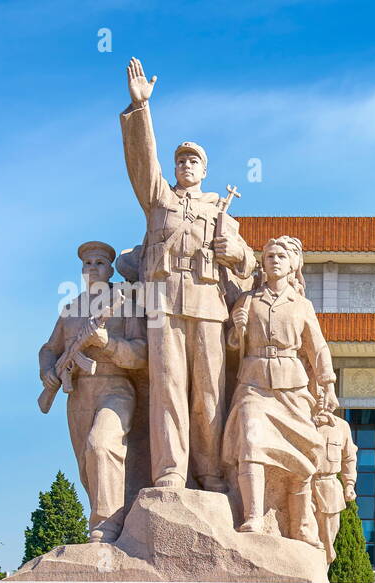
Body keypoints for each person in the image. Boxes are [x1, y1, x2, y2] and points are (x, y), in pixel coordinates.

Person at [120, 56, 255, 493]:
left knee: (210, 395)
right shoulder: (159, 199)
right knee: (167, 389)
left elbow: (249, 264)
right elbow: (143, 163)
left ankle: (211, 473)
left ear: (205, 170)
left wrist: (235, 252)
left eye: (193, 161)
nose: (185, 166)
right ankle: (171, 471)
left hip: (207, 303)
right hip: (163, 305)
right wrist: (141, 110)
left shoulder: (219, 209)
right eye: (180, 161)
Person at [223, 236, 337, 546]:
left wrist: (327, 382)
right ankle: (254, 515)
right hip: (253, 383)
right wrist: (238, 329)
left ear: (293, 265)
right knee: (250, 441)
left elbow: (318, 347)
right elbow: (232, 350)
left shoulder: (301, 305)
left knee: (304, 454)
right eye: (269, 255)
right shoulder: (247, 301)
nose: (274, 260)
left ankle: (301, 525)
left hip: (292, 386)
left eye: (281, 256)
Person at [38, 241, 147, 542]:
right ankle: (107, 519)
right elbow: (50, 349)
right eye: (87, 264)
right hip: (78, 394)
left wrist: (106, 343)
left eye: (99, 262)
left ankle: (105, 526)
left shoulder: (125, 302)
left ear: (111, 268)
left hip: (115, 386)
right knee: (88, 465)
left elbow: (141, 354)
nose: (92, 268)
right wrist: (48, 371)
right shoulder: (71, 309)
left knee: (102, 445)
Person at [312, 401, 358, 564]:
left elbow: (349, 457)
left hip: (329, 486)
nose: (321, 398)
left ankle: (321, 580)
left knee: (328, 541)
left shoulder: (341, 427)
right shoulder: (300, 420)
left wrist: (349, 484)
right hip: (303, 486)